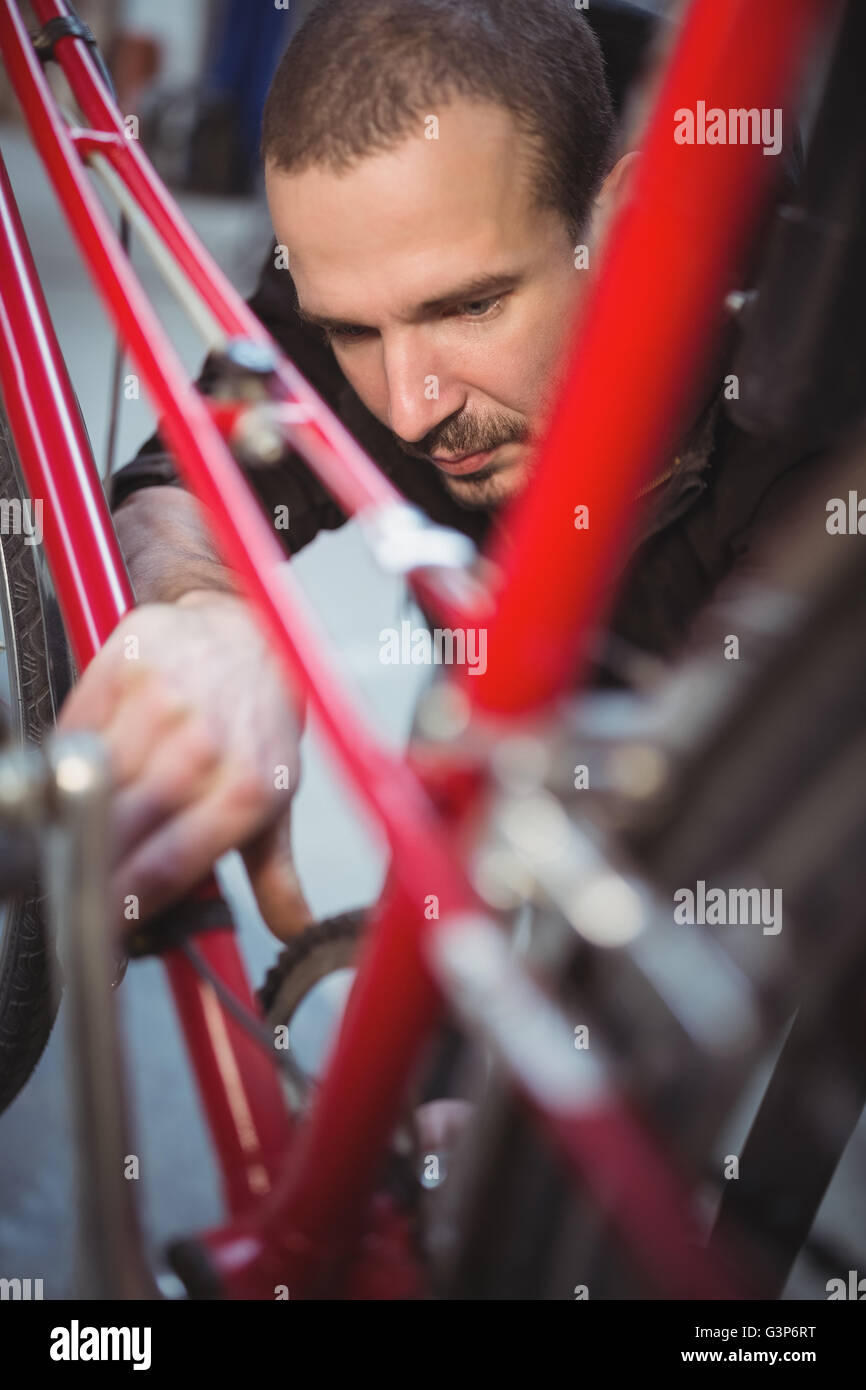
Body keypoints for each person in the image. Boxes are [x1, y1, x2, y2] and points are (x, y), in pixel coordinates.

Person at [59, 0, 823, 942]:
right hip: (489, 667)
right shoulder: (383, 250)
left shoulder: (801, 405)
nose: (413, 408)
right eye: (351, 330)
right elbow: (185, 480)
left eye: (470, 307)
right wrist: (207, 614)